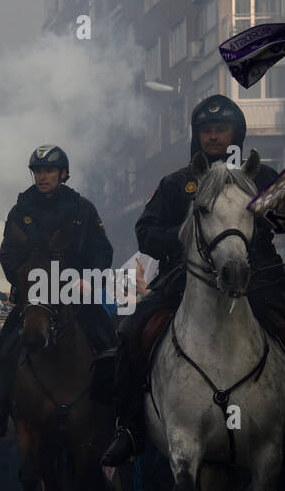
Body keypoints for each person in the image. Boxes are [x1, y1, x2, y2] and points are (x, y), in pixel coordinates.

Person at [102, 94, 285, 464]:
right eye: (207, 131)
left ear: (237, 133)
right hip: (185, 280)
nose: (214, 137)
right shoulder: (178, 183)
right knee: (132, 333)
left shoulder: (262, 178)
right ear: (196, 136)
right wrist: (187, 238)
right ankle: (129, 428)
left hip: (259, 280)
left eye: (221, 129)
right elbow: (146, 231)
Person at [0, 145, 115, 441]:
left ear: (63, 173)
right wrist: (24, 281)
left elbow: (102, 250)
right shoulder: (20, 211)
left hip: (76, 294)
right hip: (35, 296)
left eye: (49, 170)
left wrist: (88, 278)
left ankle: (120, 418)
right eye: (37, 171)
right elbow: (7, 254)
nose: (42, 176)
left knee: (110, 342)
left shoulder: (83, 209)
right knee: (3, 349)